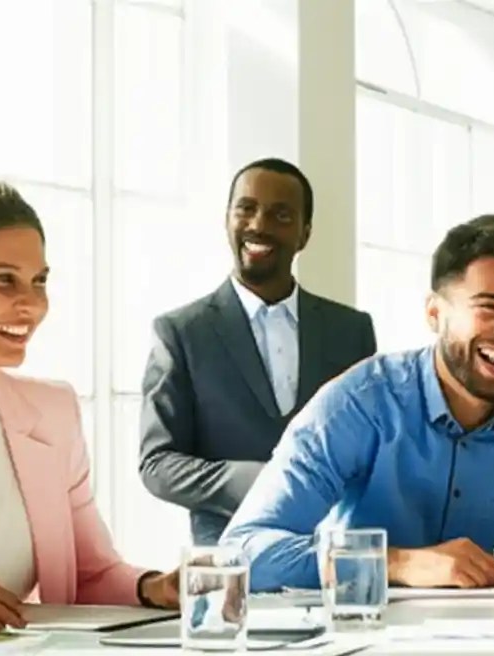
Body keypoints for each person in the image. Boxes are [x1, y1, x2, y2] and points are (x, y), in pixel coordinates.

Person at [222, 214, 494, 592]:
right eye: (489, 308)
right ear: (434, 313)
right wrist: (396, 562)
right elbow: (241, 550)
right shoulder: (358, 405)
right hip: (364, 643)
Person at [0, 181, 179, 641]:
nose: (33, 304)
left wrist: (154, 587)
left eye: (38, 281)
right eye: (3, 279)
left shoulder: (52, 414)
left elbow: (89, 575)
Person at [140, 158, 377, 544]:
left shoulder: (351, 332)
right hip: (228, 562)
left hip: (333, 555)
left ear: (304, 234)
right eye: (246, 209)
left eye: (280, 214)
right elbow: (158, 463)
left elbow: (372, 451)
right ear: (227, 219)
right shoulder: (180, 333)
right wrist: (260, 479)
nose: (258, 224)